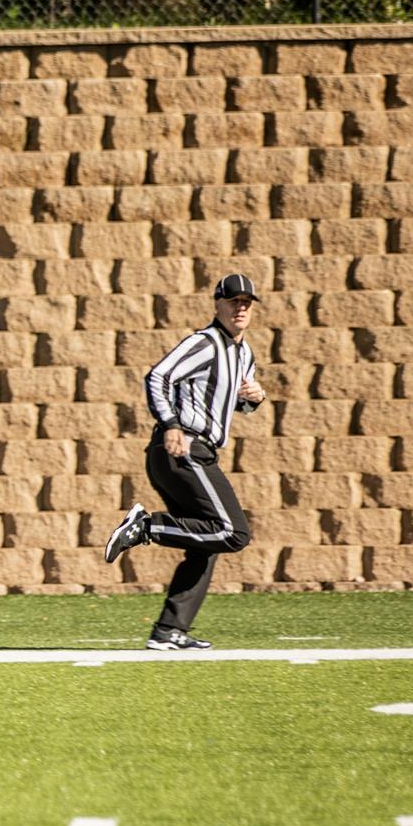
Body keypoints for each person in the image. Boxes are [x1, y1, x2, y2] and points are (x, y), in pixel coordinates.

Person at [103, 272, 266, 649]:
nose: (240, 308)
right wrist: (172, 423)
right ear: (217, 304)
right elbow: (158, 376)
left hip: (197, 450)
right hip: (181, 448)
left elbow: (234, 403)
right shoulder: (204, 343)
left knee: (206, 544)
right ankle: (145, 528)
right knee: (233, 532)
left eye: (246, 303)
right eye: (233, 301)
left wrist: (253, 399)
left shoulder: (244, 353)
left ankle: (168, 631)